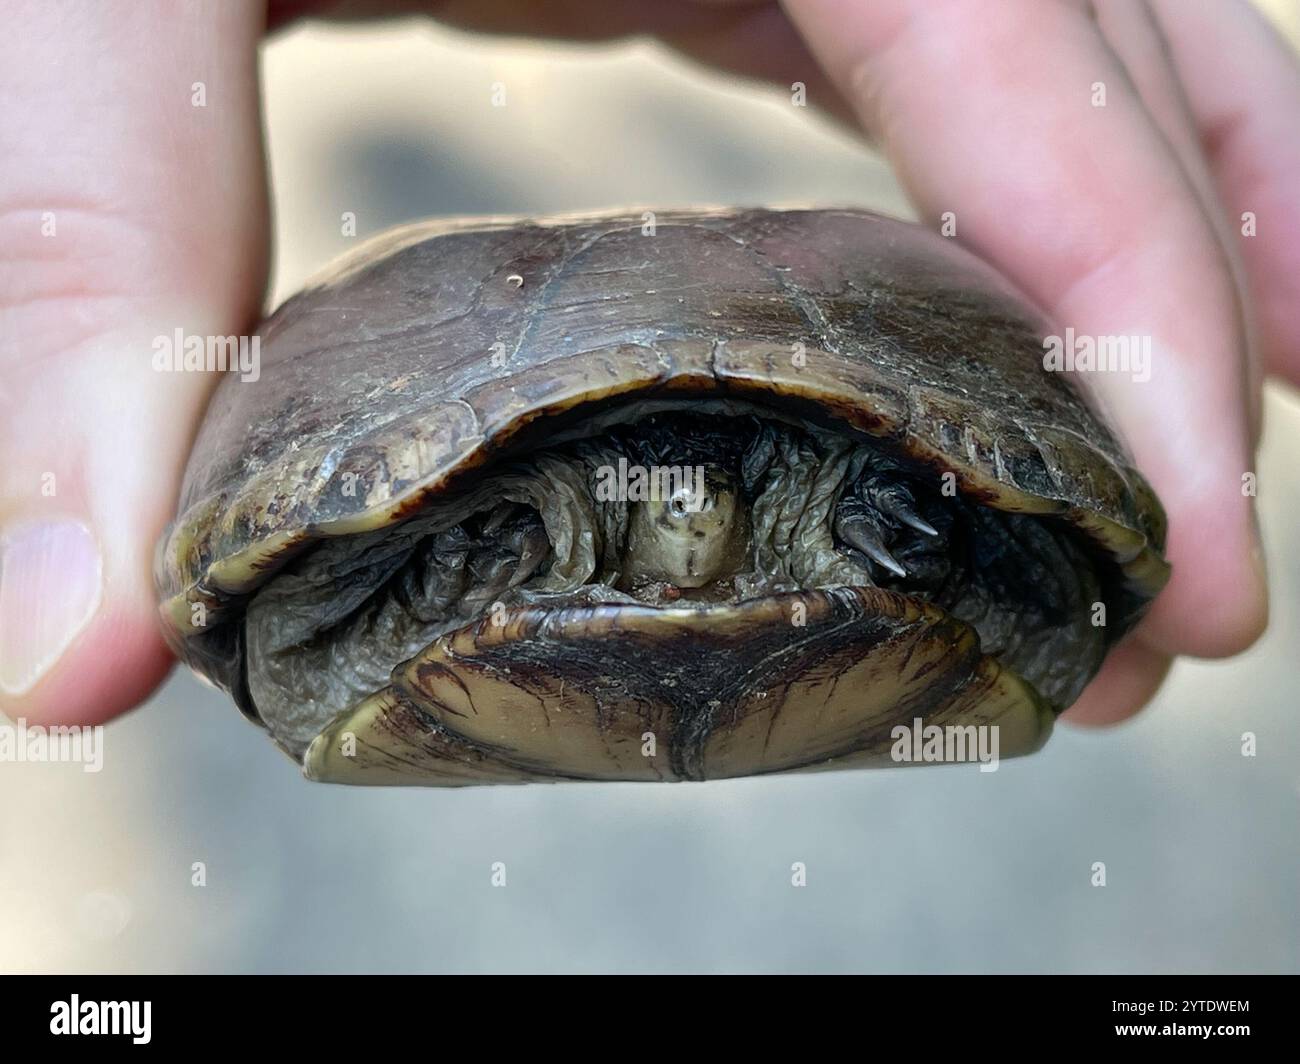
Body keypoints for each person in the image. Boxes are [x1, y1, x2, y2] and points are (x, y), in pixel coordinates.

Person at [2, 0, 1295, 731]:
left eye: (713, 482)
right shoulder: (477, 539)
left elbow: (1061, 582)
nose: (689, 517)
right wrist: (470, 544)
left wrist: (887, 523)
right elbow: (278, 619)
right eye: (657, 487)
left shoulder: (844, 516)